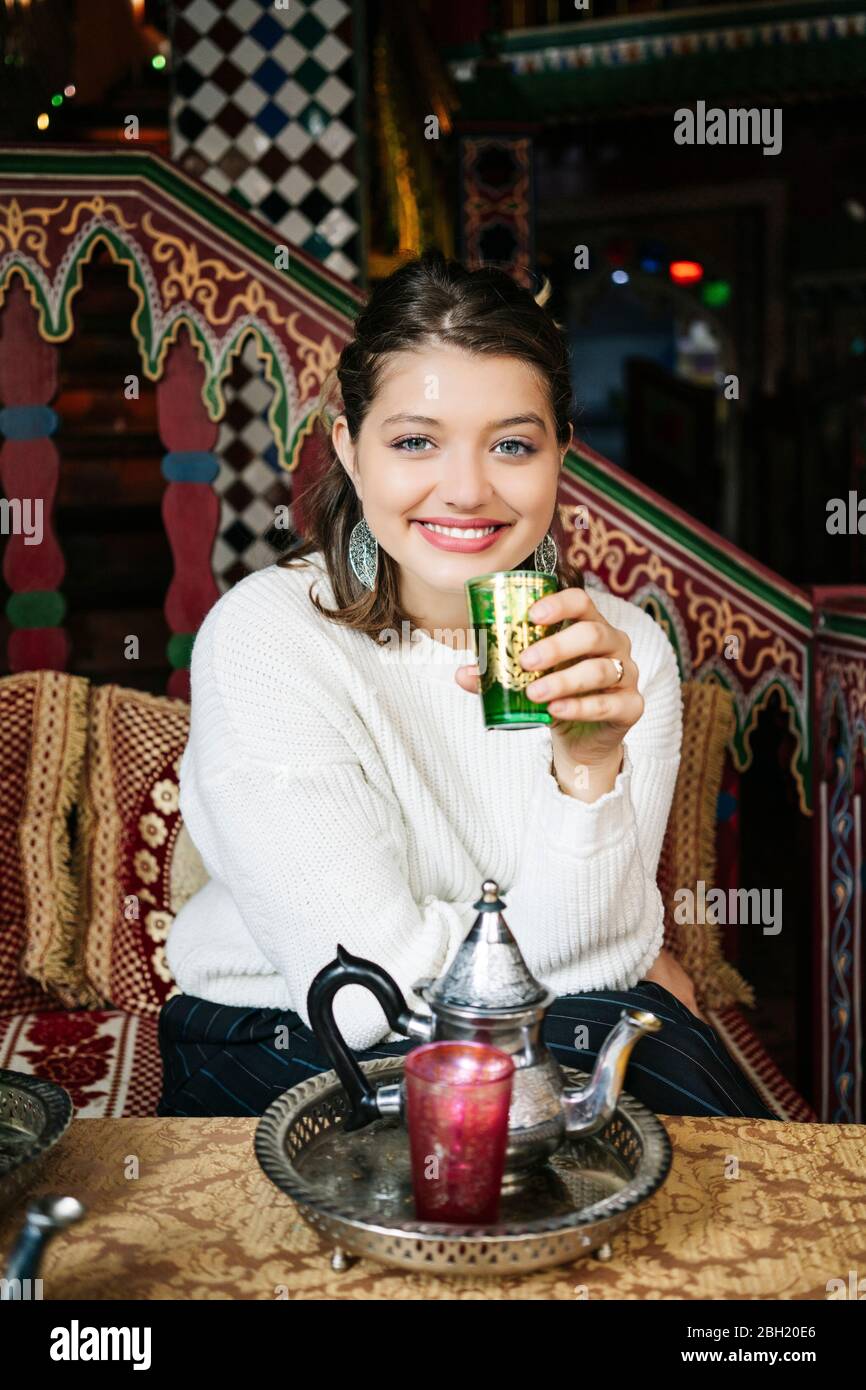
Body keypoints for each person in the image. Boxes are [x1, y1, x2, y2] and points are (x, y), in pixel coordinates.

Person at [157, 252, 776, 1123]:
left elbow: (600, 960)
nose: (466, 490)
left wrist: (588, 772)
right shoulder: (269, 636)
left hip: (560, 1023)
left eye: (513, 445)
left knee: (671, 1104)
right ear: (350, 447)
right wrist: (591, 949)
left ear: (563, 451)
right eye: (415, 441)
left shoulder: (623, 648)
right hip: (288, 1038)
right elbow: (367, 997)